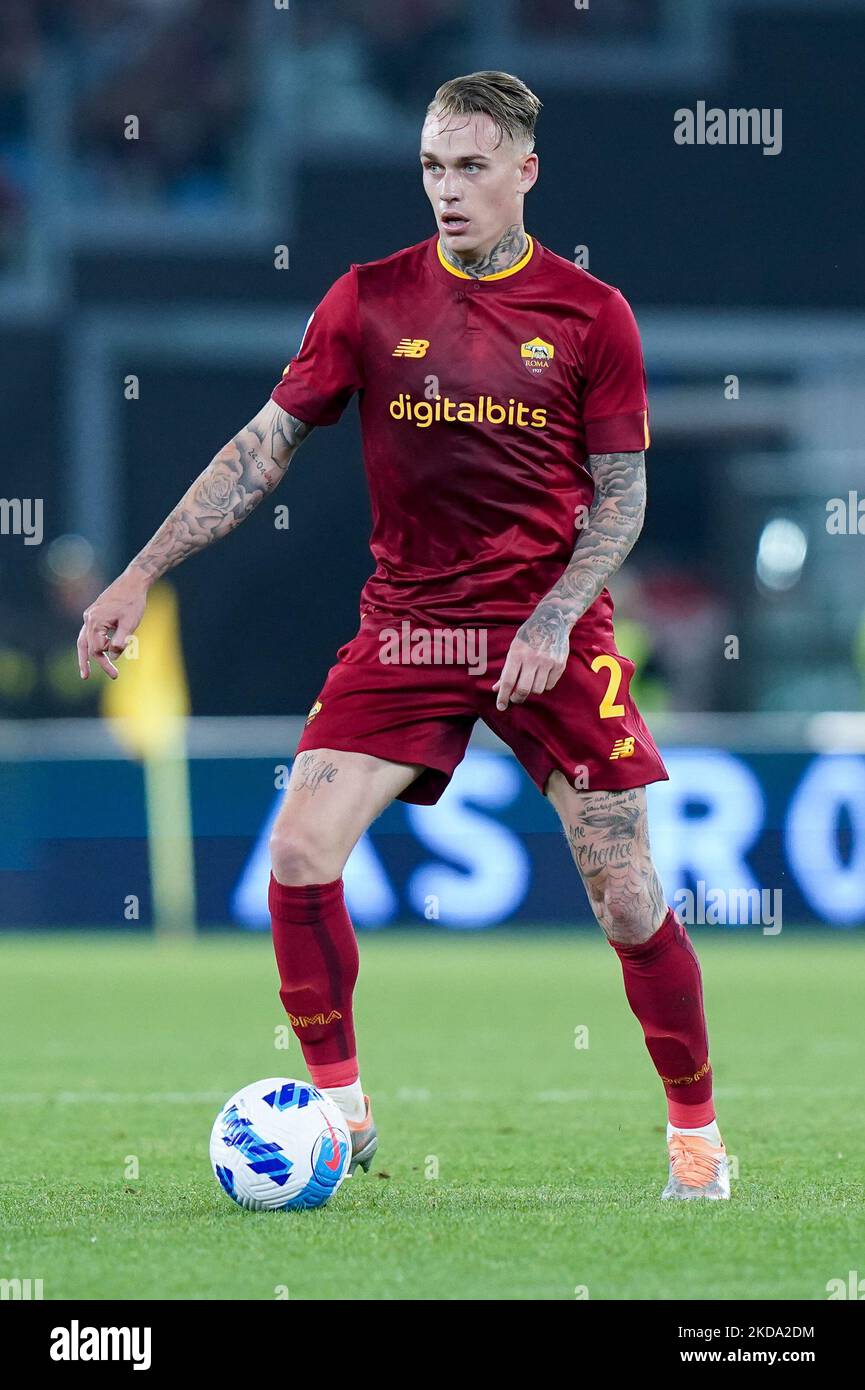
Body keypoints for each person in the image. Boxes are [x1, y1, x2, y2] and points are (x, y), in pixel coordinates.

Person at [77, 70, 728, 1200]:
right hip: (411, 630)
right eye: (432, 167)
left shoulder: (590, 314)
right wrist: (139, 571)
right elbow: (261, 450)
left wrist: (554, 615)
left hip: (550, 632)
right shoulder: (367, 300)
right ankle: (340, 1105)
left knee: (627, 896)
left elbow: (620, 500)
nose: (448, 190)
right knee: (295, 854)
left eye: (472, 167)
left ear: (525, 172)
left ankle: (696, 1136)